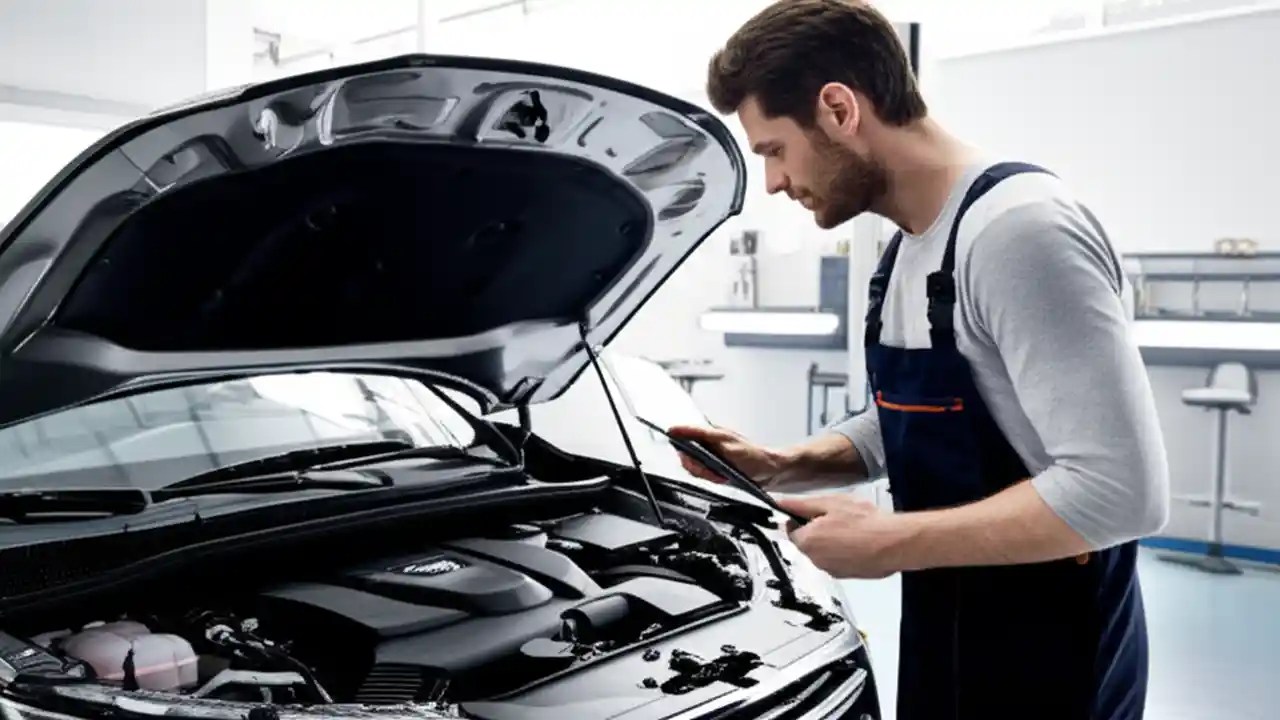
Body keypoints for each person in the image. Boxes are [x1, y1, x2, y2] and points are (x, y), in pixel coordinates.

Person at [669, 1, 1170, 719]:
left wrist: (888, 541)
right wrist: (784, 462)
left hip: (1053, 648)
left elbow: (1124, 492)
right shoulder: (907, 247)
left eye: (773, 150)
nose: (774, 183)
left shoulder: (1019, 232)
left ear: (838, 108)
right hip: (951, 615)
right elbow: (914, 418)